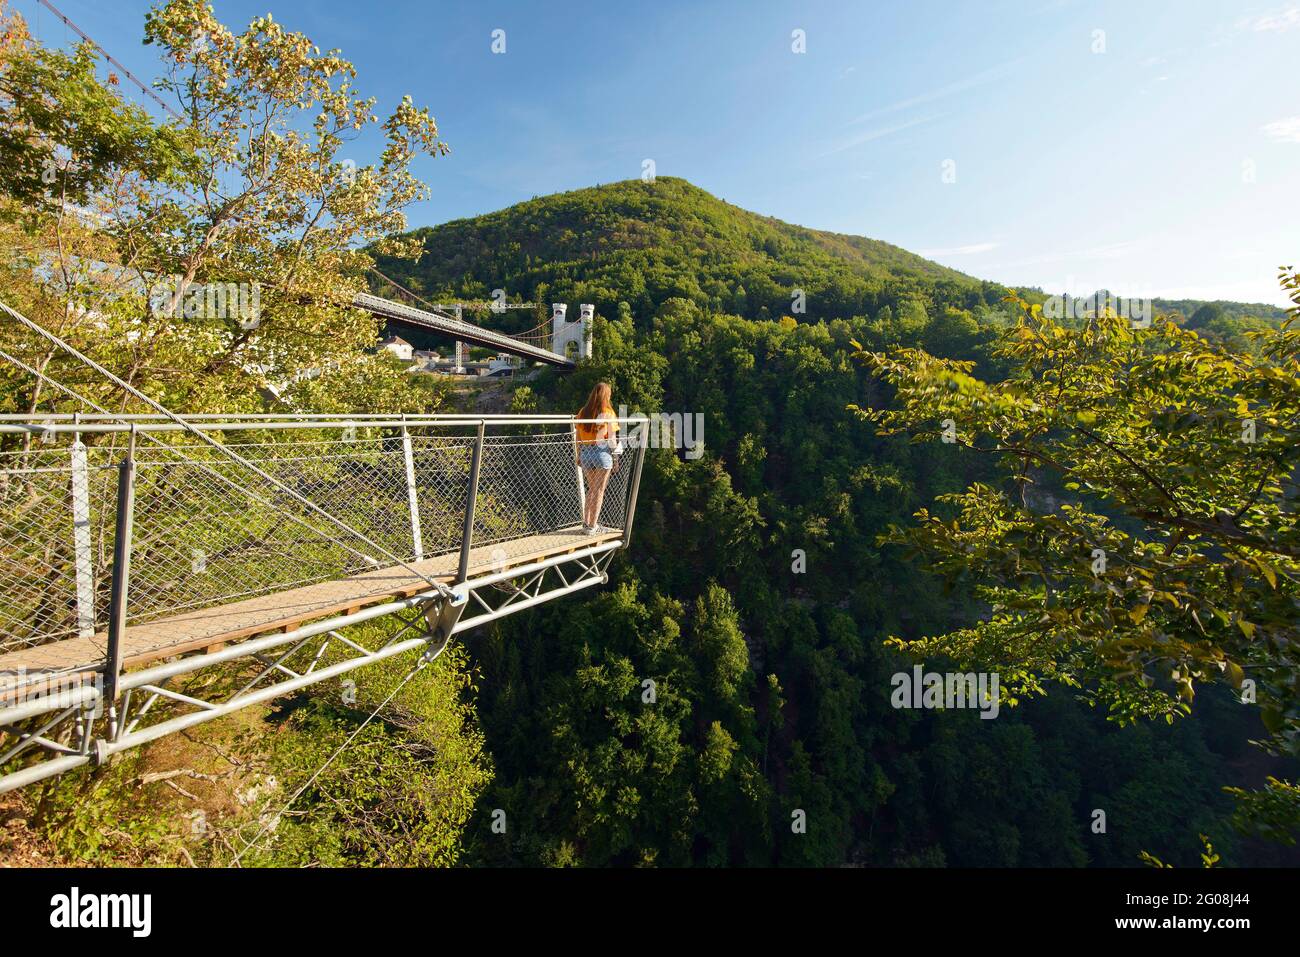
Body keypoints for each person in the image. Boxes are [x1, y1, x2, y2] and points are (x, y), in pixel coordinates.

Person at [575, 382, 619, 534]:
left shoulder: (582, 412)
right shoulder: (608, 412)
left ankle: (586, 524)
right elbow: (612, 440)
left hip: (586, 453)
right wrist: (615, 459)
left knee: (591, 489)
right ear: (606, 395)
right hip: (602, 453)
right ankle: (593, 526)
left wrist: (578, 454)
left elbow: (578, 437)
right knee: (599, 490)